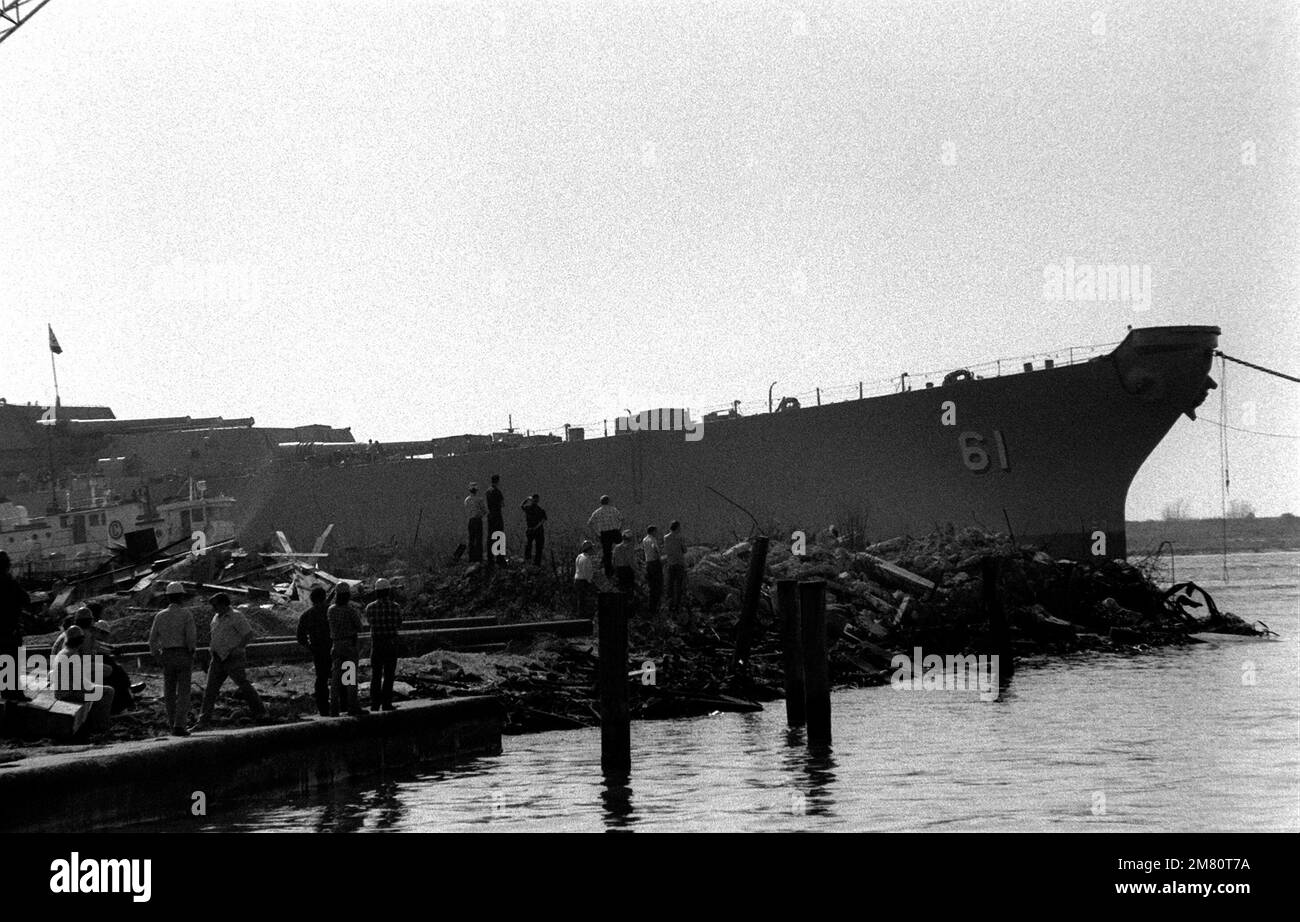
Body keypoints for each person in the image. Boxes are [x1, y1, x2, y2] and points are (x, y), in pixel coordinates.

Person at [193, 593, 266, 730]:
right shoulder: (216, 618)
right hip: (217, 658)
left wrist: (239, 648)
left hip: (232, 657)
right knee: (210, 690)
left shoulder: (236, 616)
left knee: (244, 686)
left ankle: (261, 713)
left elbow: (248, 634)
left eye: (216, 605)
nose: (214, 608)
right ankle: (203, 721)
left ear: (223, 604)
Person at [148, 581, 196, 736]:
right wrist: (191, 652)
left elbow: (152, 640)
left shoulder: (160, 616)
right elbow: (191, 637)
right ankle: (180, 725)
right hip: (182, 654)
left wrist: (157, 655)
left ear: (168, 597)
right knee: (183, 692)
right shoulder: (186, 614)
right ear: (181, 596)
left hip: (167, 654)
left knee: (169, 692)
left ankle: (171, 724)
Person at [51, 625, 114, 734]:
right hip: (69, 694)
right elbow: (81, 684)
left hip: (62, 692)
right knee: (108, 691)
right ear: (80, 641)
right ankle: (101, 727)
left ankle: (94, 722)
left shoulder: (64, 652)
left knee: (97, 688)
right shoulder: (72, 655)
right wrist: (94, 686)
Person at [364, 578, 402, 711]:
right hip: (391, 642)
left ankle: (375, 703)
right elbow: (398, 623)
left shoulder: (370, 608)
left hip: (377, 643)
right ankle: (386, 703)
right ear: (388, 591)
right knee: (389, 674)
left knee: (376, 674)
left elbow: (369, 622)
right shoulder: (395, 607)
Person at [328, 583, 365, 717]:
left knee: (336, 678)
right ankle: (352, 707)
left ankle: (333, 708)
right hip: (349, 645)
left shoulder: (331, 610)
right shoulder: (350, 610)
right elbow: (360, 627)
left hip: (336, 645)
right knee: (349, 678)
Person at [0, 550, 31, 702]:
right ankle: (14, 693)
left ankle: (5, 692)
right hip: (10, 630)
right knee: (12, 661)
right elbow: (25, 599)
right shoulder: (9, 582)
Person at [296, 586, 332, 715]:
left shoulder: (307, 615)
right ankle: (346, 702)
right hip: (337, 648)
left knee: (321, 679)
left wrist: (311, 648)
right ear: (325, 597)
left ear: (311, 599)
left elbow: (300, 637)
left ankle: (323, 708)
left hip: (319, 651)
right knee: (345, 674)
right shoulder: (333, 611)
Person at [587, 495, 623, 578]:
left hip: (604, 534)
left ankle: (609, 573)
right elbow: (622, 519)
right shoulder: (613, 509)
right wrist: (619, 528)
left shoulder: (597, 512)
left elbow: (589, 523)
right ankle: (622, 567)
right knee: (621, 549)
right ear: (608, 501)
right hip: (614, 531)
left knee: (607, 554)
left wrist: (597, 533)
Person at [664, 520, 688, 616]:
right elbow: (685, 550)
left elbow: (666, 550)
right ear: (677, 527)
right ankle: (677, 606)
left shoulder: (666, 537)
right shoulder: (680, 537)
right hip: (679, 563)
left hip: (671, 563)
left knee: (670, 584)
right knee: (679, 585)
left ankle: (669, 604)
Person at [642, 525, 664, 615]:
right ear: (653, 531)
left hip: (648, 563)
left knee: (651, 585)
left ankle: (651, 607)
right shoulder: (652, 540)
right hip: (655, 563)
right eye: (656, 531)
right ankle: (656, 607)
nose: (657, 533)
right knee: (658, 585)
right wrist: (659, 557)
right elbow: (655, 548)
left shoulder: (644, 540)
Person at [485, 474, 506, 569]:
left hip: (490, 515)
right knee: (499, 536)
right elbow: (502, 504)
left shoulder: (488, 491)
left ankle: (490, 558)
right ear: (498, 481)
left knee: (490, 537)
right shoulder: (497, 491)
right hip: (497, 515)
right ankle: (499, 558)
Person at [521, 494, 547, 566]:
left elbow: (522, 505)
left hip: (532, 529)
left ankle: (529, 561)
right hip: (537, 530)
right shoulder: (540, 510)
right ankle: (536, 563)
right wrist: (537, 526)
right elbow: (543, 520)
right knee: (537, 547)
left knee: (529, 546)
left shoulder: (528, 508)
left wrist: (527, 499)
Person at [464, 483, 486, 564]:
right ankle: (478, 558)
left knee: (471, 539)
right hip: (477, 520)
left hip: (470, 520)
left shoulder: (467, 500)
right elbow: (484, 511)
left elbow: (467, 510)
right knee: (479, 539)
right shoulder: (479, 499)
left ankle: (471, 557)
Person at [573, 540, 596, 619]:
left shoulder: (579, 556)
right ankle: (583, 618)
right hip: (583, 581)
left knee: (581, 600)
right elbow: (586, 572)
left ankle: (580, 617)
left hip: (577, 580)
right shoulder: (586, 559)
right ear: (589, 549)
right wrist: (590, 582)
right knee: (585, 601)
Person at [612, 530, 636, 599]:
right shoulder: (629, 548)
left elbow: (614, 560)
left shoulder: (616, 547)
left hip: (619, 570)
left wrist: (615, 570)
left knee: (621, 589)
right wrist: (636, 571)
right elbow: (630, 561)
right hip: (627, 570)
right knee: (629, 590)